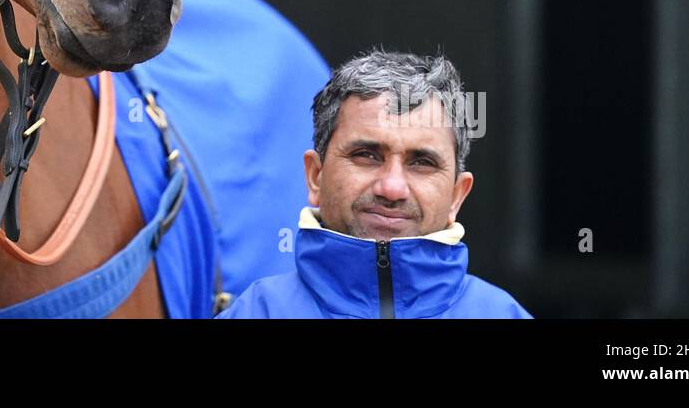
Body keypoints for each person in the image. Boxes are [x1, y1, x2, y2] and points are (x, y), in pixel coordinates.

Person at [217, 50, 532, 319]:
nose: (392, 188)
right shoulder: (257, 312)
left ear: (456, 196)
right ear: (315, 175)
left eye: (422, 163)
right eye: (366, 155)